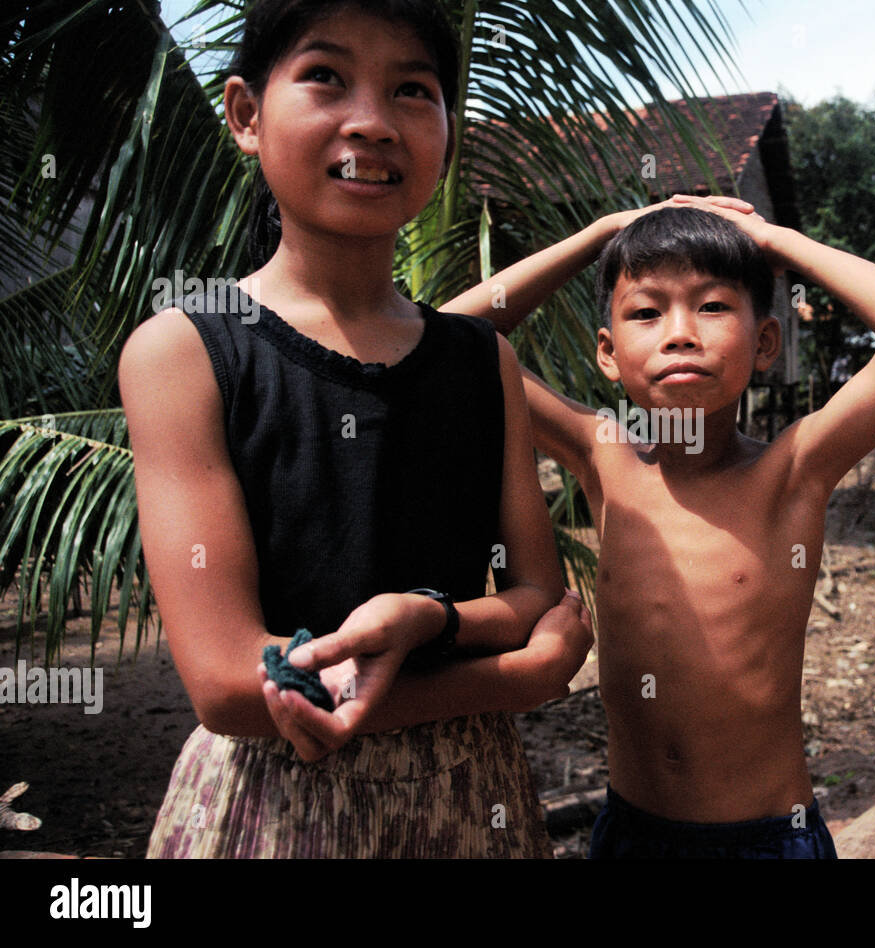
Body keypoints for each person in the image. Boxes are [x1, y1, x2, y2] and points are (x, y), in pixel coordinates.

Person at [119, 0, 592, 858]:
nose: (372, 122)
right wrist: (515, 678)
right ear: (245, 116)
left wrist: (427, 618)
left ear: (447, 133)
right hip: (272, 803)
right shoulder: (184, 352)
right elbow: (230, 683)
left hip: (470, 801)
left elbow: (533, 595)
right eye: (326, 77)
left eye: (413, 90)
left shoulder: (482, 361)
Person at [445, 197, 875, 857]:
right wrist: (604, 234)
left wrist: (771, 238)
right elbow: (446, 337)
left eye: (713, 306)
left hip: (766, 840)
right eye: (646, 311)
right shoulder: (604, 459)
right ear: (608, 353)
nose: (680, 333)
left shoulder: (792, 471)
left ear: (766, 341)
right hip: (631, 833)